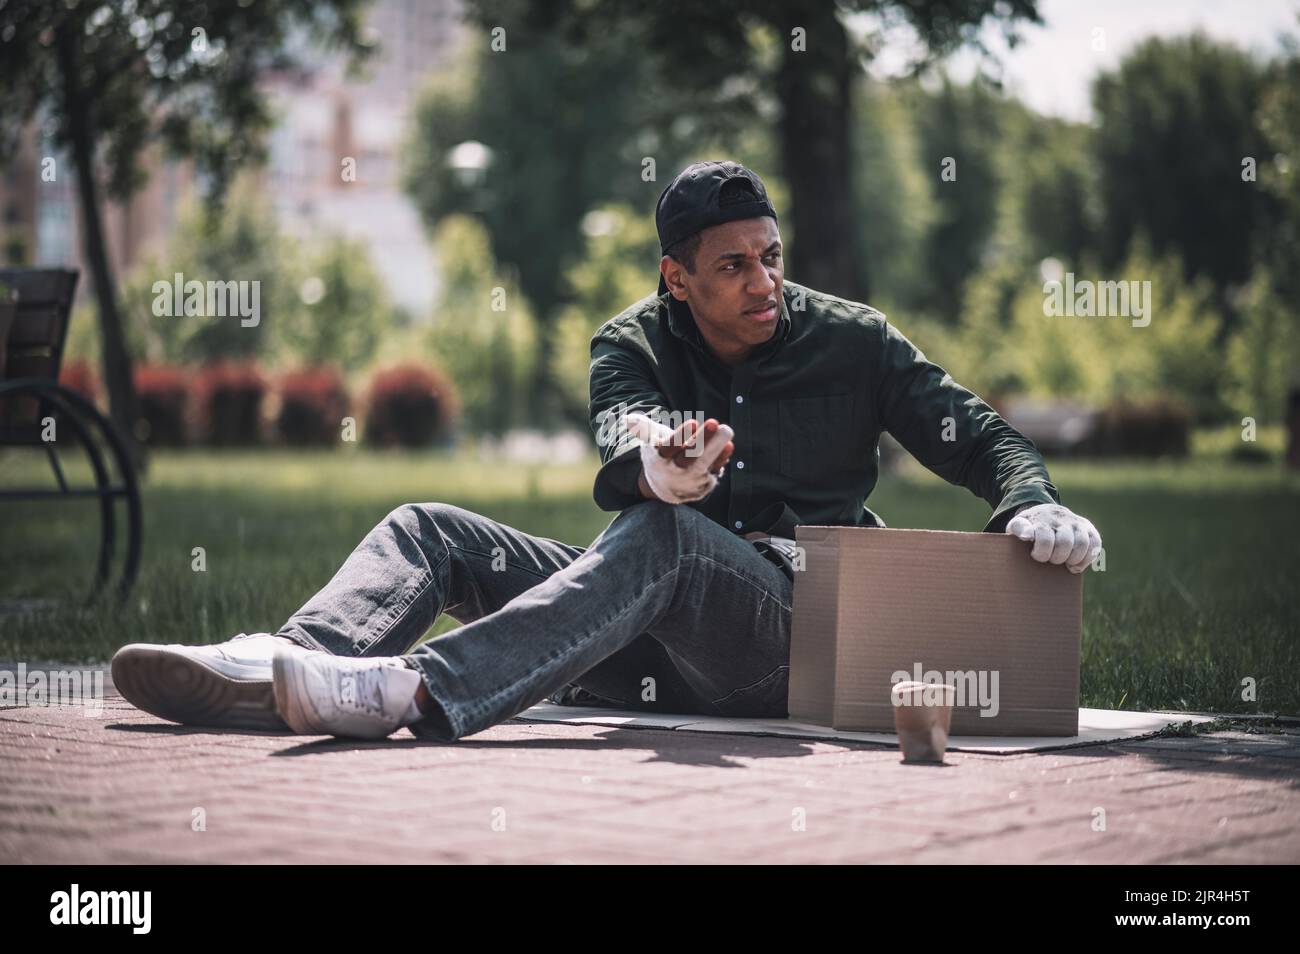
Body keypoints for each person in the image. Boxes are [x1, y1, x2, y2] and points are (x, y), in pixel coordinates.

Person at [111, 160, 1102, 743]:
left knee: (663, 540)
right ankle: (290, 667)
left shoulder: (851, 339)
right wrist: (655, 463)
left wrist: (1028, 500)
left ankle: (415, 689)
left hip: (773, 638)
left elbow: (968, 429)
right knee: (431, 528)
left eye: (771, 257)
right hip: (623, 629)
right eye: (732, 267)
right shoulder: (632, 341)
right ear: (678, 279)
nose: (763, 282)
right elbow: (619, 425)